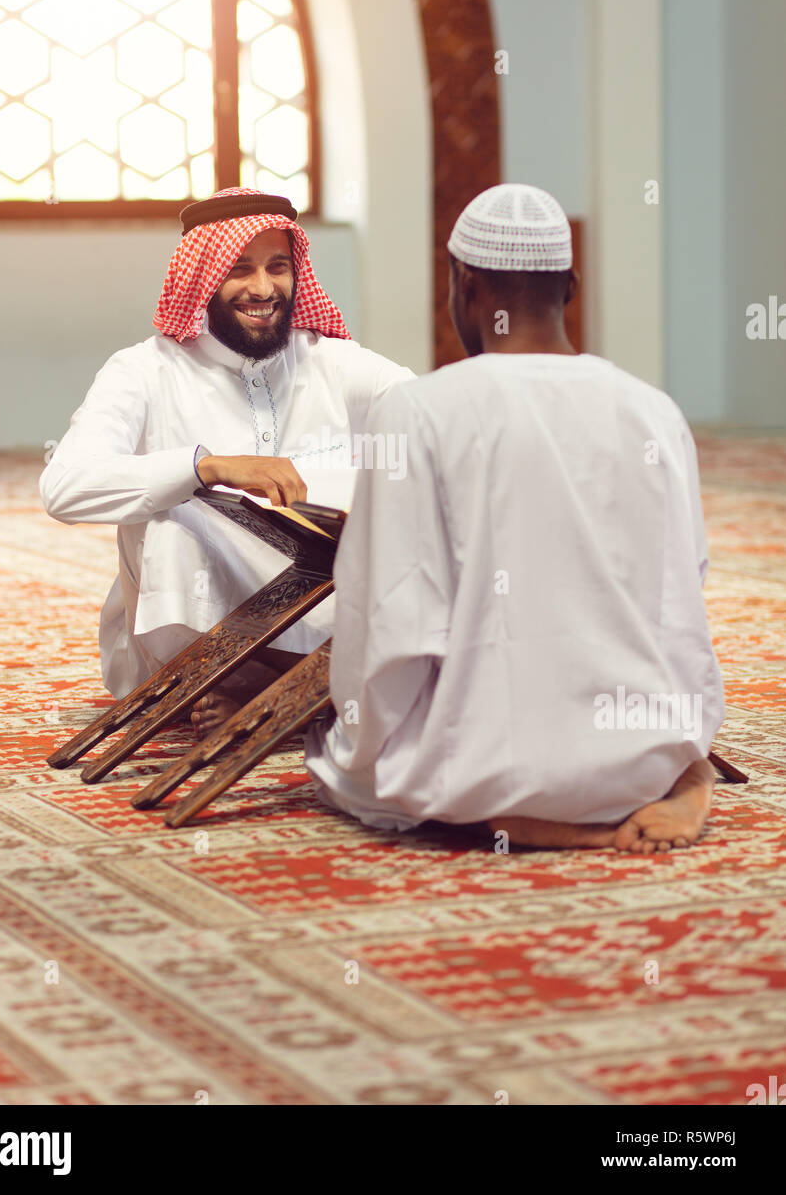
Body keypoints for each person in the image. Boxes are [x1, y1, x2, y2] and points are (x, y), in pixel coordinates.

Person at [306, 184, 724, 853]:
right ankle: (680, 785)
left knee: (342, 772)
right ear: (571, 287)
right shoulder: (654, 412)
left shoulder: (418, 411)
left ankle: (521, 820)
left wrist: (356, 742)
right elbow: (684, 600)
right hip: (644, 753)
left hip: (485, 767)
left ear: (464, 284)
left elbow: (388, 616)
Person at [40, 187, 413, 729]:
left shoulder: (328, 360)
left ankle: (295, 680)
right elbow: (63, 487)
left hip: (331, 606)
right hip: (196, 630)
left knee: (399, 468)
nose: (263, 289)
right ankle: (275, 679)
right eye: (240, 269)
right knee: (182, 506)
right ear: (204, 275)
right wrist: (204, 467)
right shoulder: (145, 372)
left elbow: (432, 416)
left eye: (277, 267)